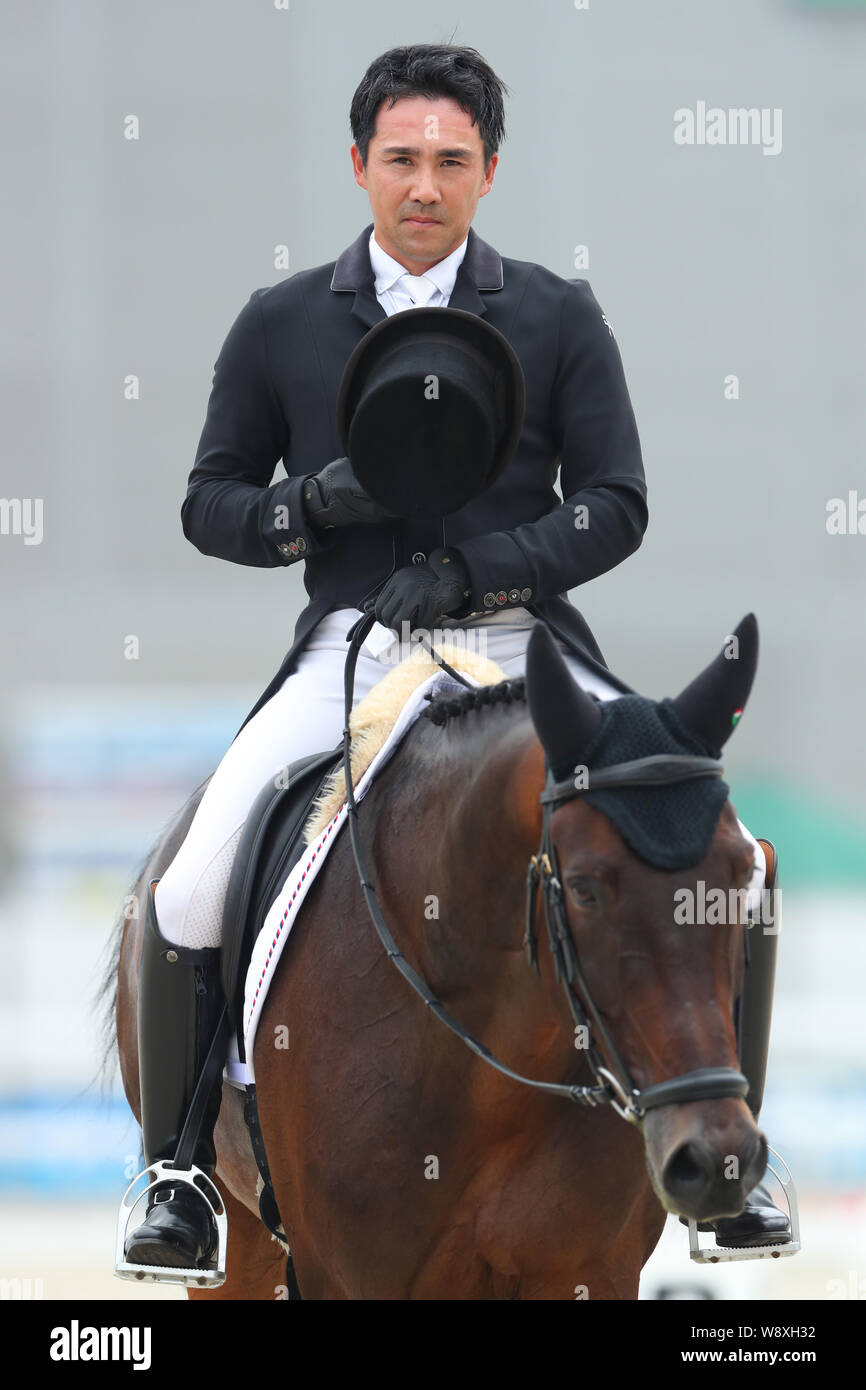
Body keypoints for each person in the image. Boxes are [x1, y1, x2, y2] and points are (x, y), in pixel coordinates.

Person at [122, 43, 790, 1276]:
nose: (421, 185)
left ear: (488, 172)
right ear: (358, 167)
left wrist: (492, 571)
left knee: (712, 840)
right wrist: (305, 508)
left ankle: (728, 1158)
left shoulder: (551, 312)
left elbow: (615, 502)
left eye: (448, 161)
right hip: (352, 643)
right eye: (399, 160)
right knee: (192, 878)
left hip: (518, 642)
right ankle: (178, 1172)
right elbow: (208, 503)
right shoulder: (281, 322)